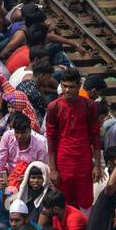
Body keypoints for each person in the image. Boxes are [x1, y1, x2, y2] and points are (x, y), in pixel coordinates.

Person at [44, 65, 103, 210]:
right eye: (64, 86)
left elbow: (95, 136)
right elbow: (50, 139)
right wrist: (52, 169)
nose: (67, 90)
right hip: (63, 161)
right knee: (64, 202)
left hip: (83, 161)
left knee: (85, 202)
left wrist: (97, 165)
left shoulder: (90, 106)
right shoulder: (54, 107)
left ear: (79, 86)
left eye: (71, 87)